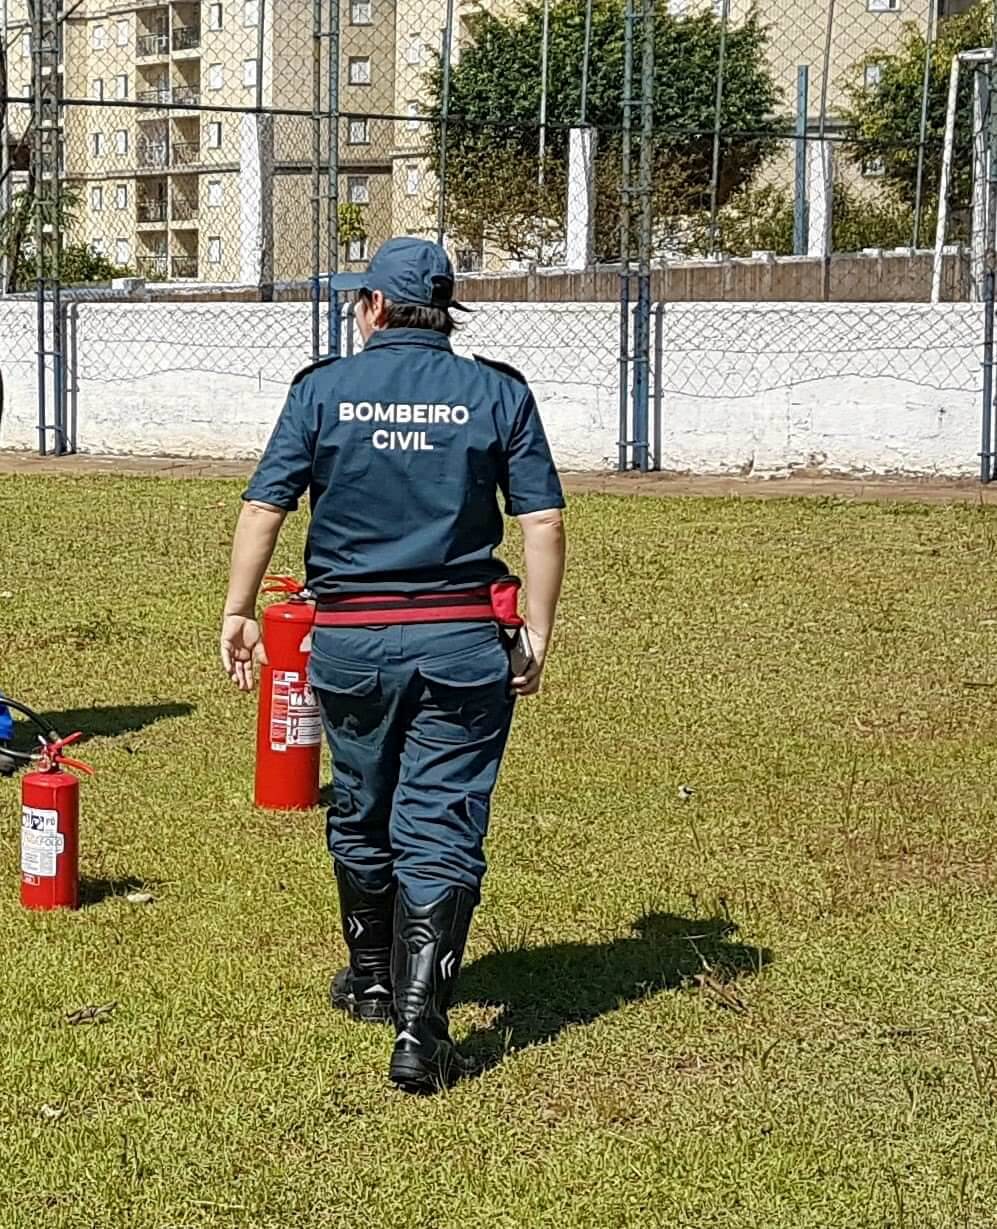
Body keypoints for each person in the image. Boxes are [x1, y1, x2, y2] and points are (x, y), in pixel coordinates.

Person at [220, 237, 566, 1093]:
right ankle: (421, 1032)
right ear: (446, 312)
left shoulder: (323, 391)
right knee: (440, 817)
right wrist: (537, 632)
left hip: (350, 644)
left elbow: (265, 507)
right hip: (459, 642)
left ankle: (374, 977)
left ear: (371, 307)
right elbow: (543, 523)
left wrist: (237, 610)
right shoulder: (496, 391)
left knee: (362, 798)